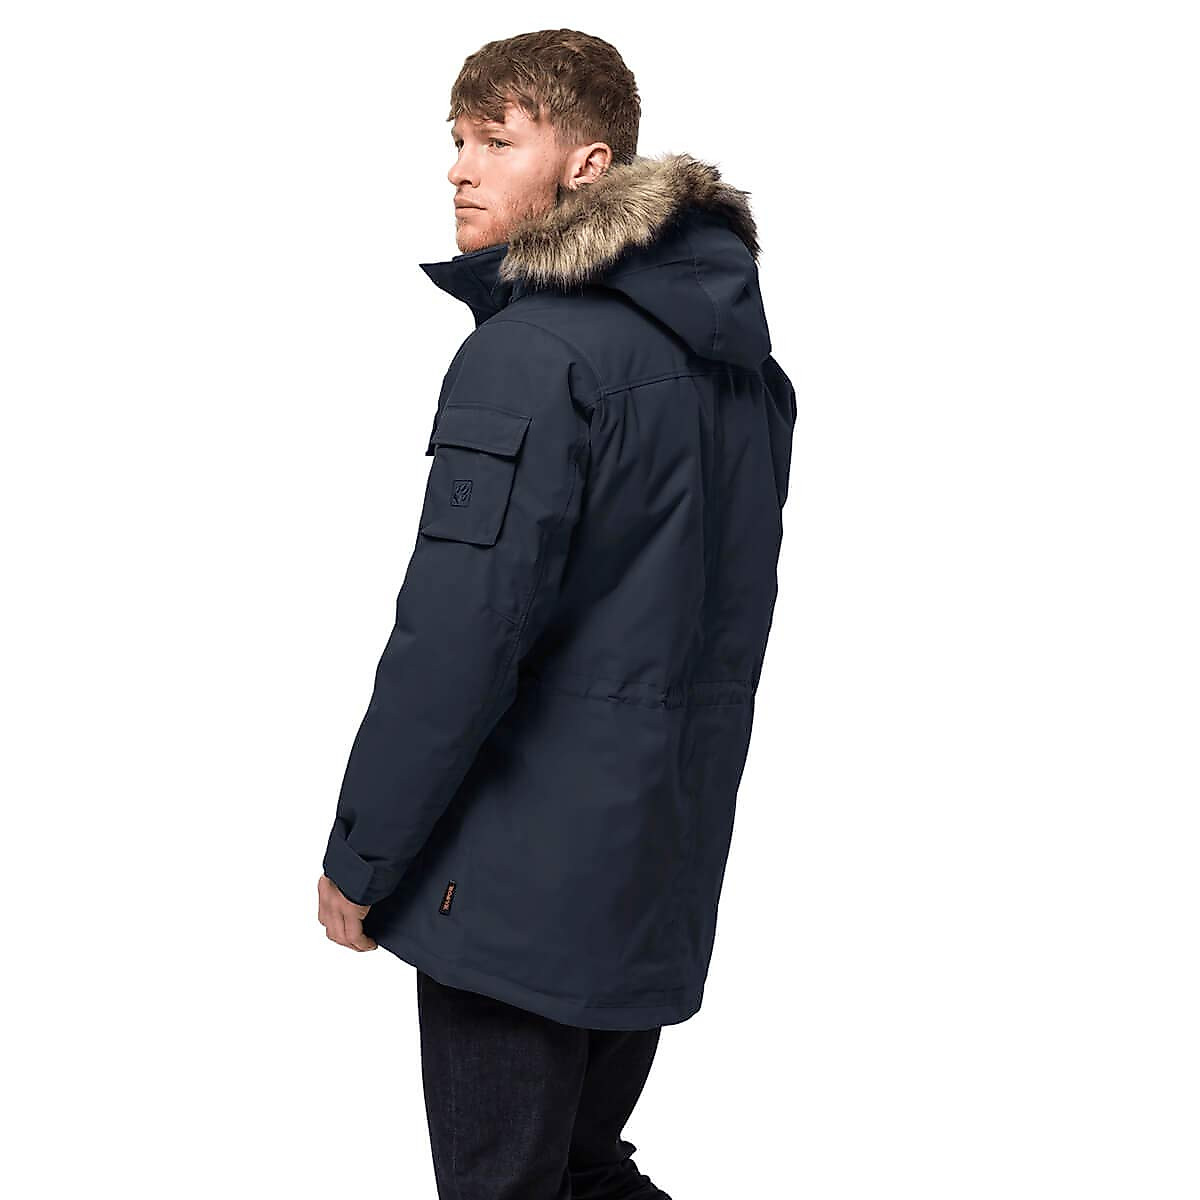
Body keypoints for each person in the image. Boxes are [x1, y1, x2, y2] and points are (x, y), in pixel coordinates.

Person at [317, 27, 797, 1200]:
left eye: (497, 140)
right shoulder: (740, 367)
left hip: (513, 886)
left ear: (588, 166)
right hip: (655, 867)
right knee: (583, 1170)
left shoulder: (531, 356)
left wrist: (362, 856)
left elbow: (456, 639)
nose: (459, 169)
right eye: (456, 140)